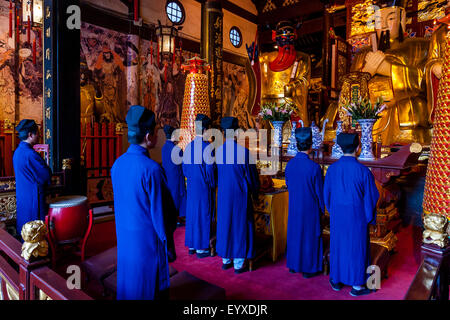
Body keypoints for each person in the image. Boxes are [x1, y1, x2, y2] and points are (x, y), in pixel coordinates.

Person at [111, 105, 176, 300]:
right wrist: (169, 245)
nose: (158, 136)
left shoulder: (117, 164)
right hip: (147, 244)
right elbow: (163, 215)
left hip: (125, 239)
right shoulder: (152, 169)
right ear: (148, 137)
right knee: (148, 288)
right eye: (156, 132)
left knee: (130, 285)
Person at [323, 133, 379, 297]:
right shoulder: (363, 171)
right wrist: (369, 217)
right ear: (357, 148)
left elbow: (327, 195)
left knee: (338, 245)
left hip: (338, 215)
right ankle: (357, 286)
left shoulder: (332, 169)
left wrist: (333, 211)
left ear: (340, 147)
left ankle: (336, 280)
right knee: (356, 248)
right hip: (357, 216)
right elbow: (371, 197)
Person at [216, 117, 260, 273]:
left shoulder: (218, 151)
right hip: (239, 194)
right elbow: (252, 177)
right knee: (239, 225)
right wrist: (256, 191)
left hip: (223, 194)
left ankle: (226, 259)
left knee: (225, 223)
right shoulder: (243, 152)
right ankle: (238, 262)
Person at [285, 127, 324, 278]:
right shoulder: (314, 168)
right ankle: (308, 268)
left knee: (295, 233)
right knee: (309, 235)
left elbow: (288, 184)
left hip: (294, 205)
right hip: (310, 207)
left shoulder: (290, 165)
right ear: (311, 145)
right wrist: (322, 208)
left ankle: (294, 264)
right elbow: (319, 192)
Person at [182, 114, 216, 258]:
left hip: (191, 185)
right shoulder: (208, 147)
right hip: (203, 186)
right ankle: (201, 249)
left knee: (192, 214)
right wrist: (213, 184)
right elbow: (210, 169)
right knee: (203, 215)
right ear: (207, 130)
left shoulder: (188, 146)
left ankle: (191, 246)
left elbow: (184, 168)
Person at [13, 120, 52, 237]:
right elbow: (45, 174)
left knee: (25, 231)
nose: (39, 135)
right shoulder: (30, 154)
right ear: (30, 135)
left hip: (23, 197)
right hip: (33, 199)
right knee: (35, 232)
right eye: (37, 133)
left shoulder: (18, 152)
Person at [162, 125, 187, 219]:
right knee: (178, 195)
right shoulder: (177, 149)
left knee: (170, 196)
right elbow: (183, 164)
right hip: (177, 176)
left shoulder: (164, 147)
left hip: (167, 177)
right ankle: (178, 215)